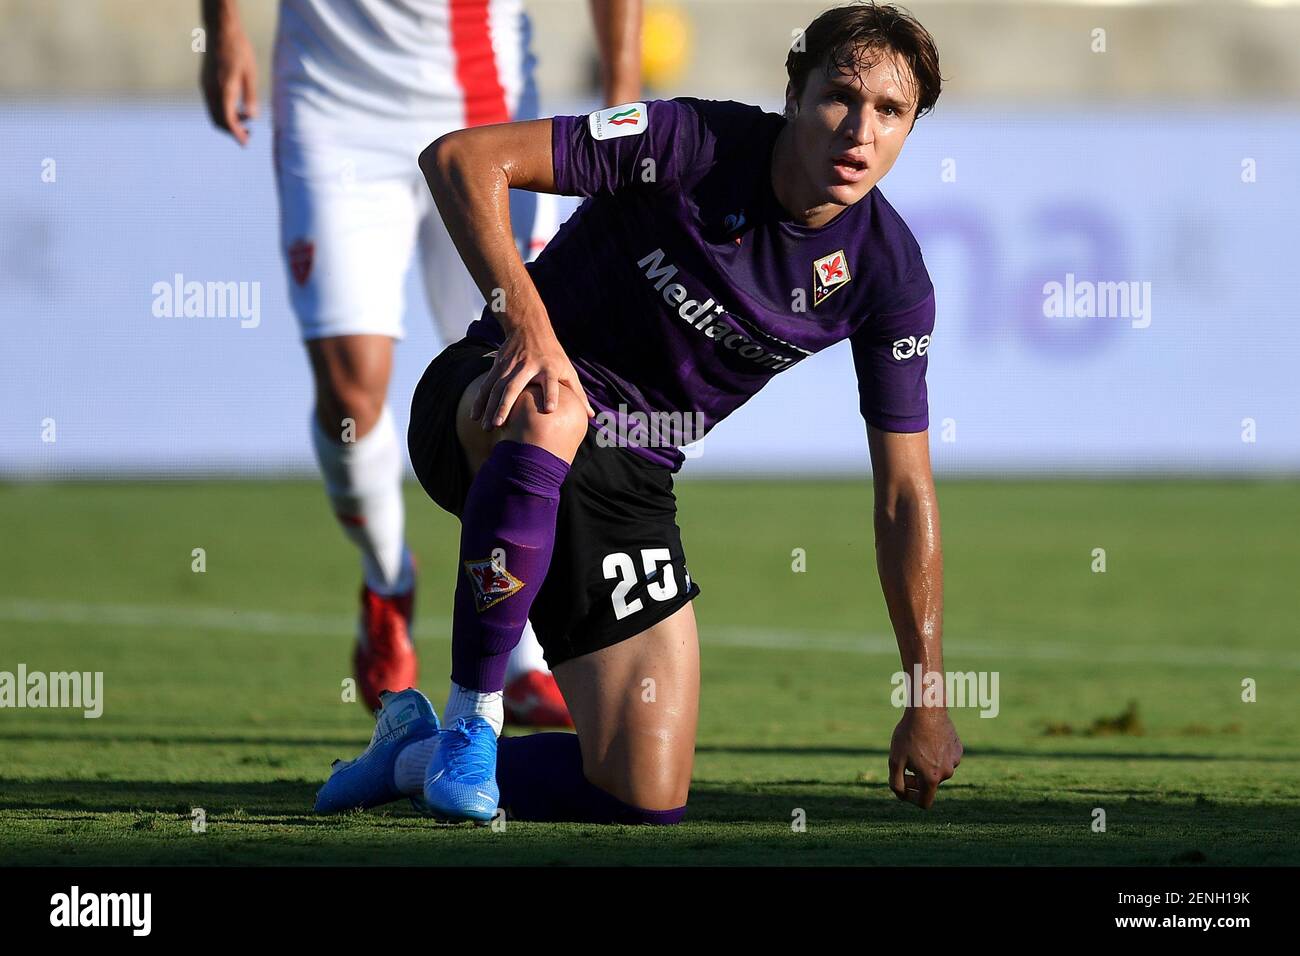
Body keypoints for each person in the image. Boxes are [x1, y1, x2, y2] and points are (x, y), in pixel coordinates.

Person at [315, 1, 963, 824]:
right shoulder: (688, 141)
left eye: (891, 112)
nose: (859, 131)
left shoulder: (888, 277)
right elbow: (461, 159)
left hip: (629, 482)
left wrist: (928, 696)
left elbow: (905, 495)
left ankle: (407, 756)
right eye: (840, 96)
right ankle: (473, 721)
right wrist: (530, 327)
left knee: (644, 792)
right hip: (487, 395)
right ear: (794, 92)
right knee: (555, 408)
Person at [199, 0, 643, 723]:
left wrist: (622, 91)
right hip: (331, 100)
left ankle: (526, 656)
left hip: (483, 106)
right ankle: (387, 578)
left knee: (530, 387)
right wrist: (222, 27)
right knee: (350, 394)